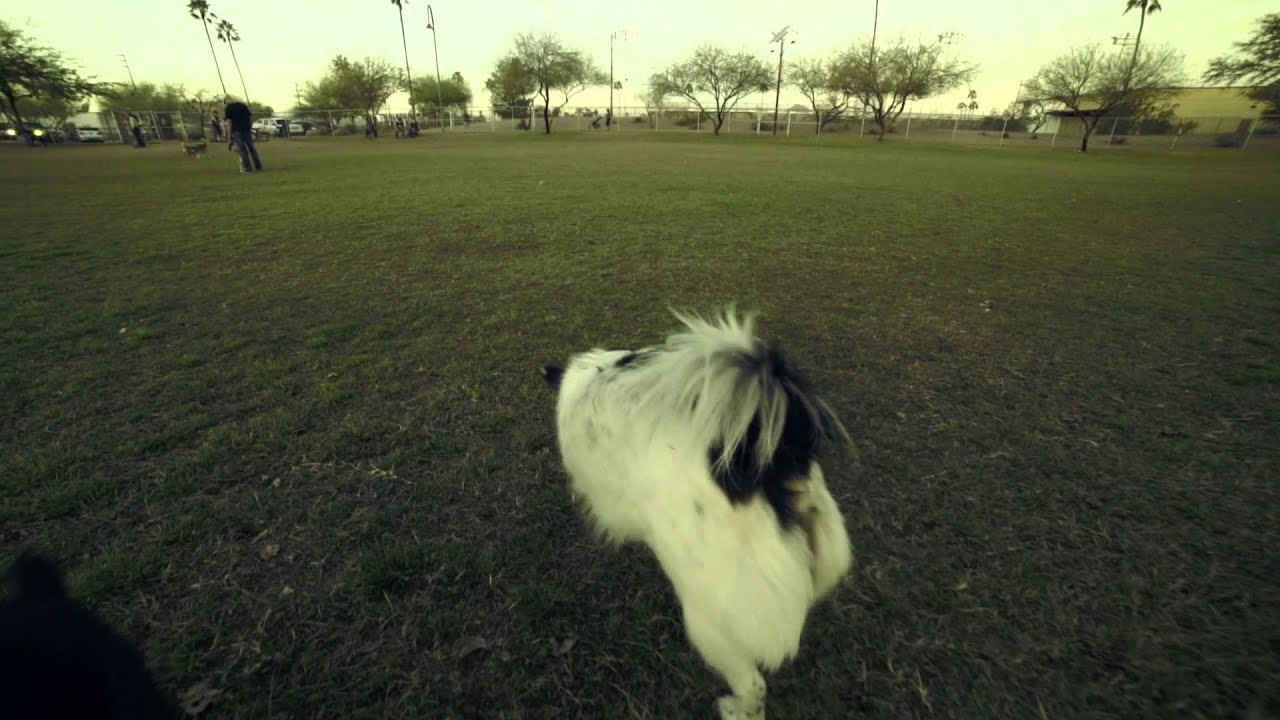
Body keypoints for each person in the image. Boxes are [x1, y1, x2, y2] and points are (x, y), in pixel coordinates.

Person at [223, 96, 262, 173]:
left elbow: (229, 122)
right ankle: (258, 166)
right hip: (246, 130)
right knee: (252, 148)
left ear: (226, 101)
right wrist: (249, 127)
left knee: (242, 149)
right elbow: (250, 118)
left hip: (236, 131)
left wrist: (229, 133)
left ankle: (248, 167)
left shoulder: (228, 108)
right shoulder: (243, 106)